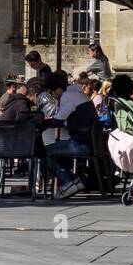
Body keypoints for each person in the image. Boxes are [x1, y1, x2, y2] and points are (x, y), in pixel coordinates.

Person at [44, 70, 98, 199]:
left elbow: (58, 120)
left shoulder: (68, 96)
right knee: (58, 151)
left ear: (57, 90)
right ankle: (73, 181)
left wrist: (40, 122)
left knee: (44, 152)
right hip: (89, 142)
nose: (53, 96)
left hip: (81, 144)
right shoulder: (77, 94)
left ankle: (69, 182)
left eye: (52, 93)